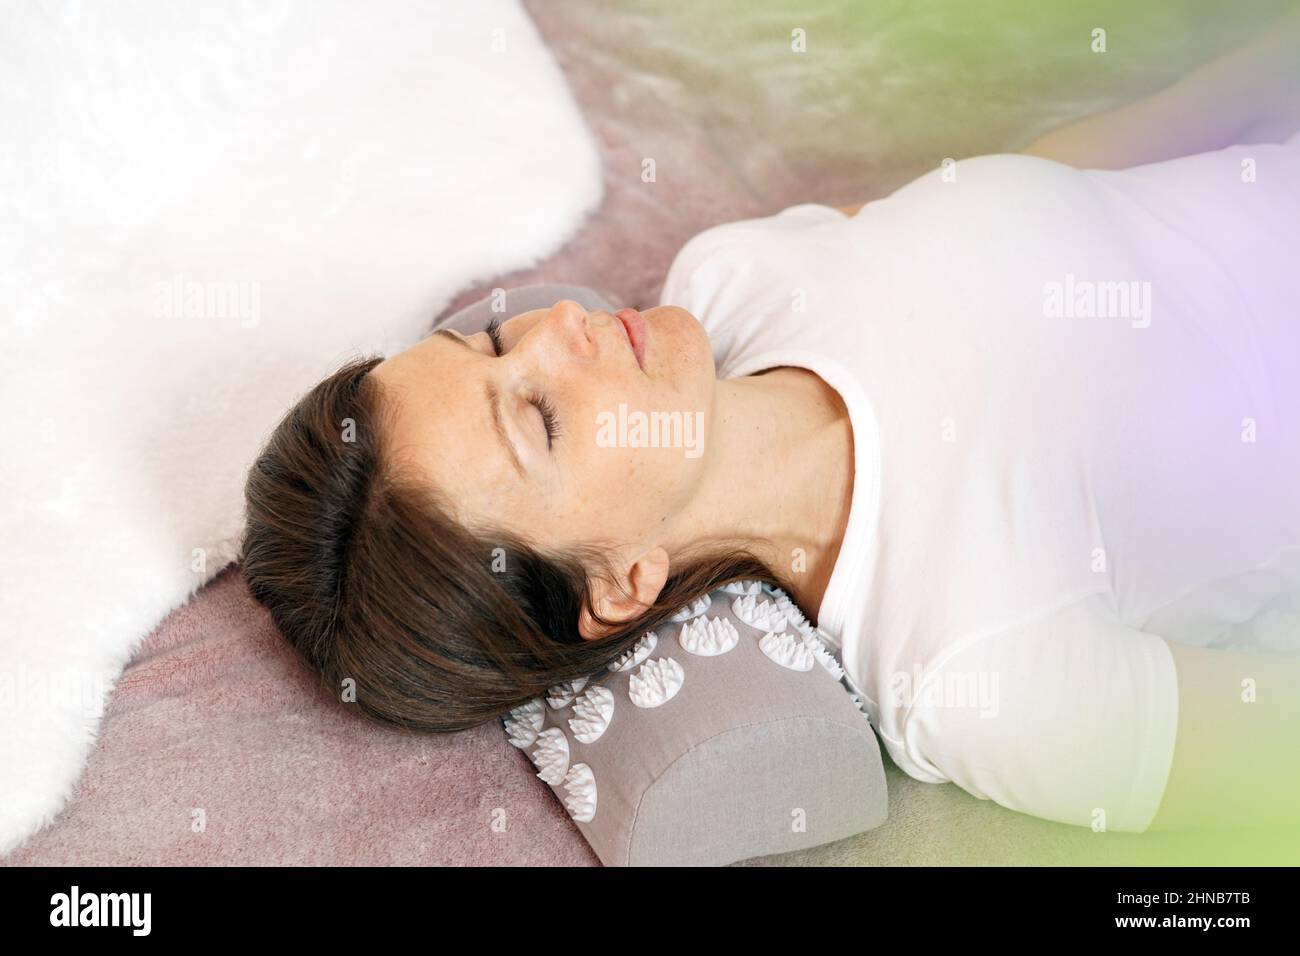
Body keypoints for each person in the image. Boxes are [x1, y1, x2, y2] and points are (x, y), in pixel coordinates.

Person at [241, 14, 1300, 834]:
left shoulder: (736, 273)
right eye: (542, 417)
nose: (563, 325)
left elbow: (1072, 174)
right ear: (620, 584)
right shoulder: (967, 666)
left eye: (494, 341)